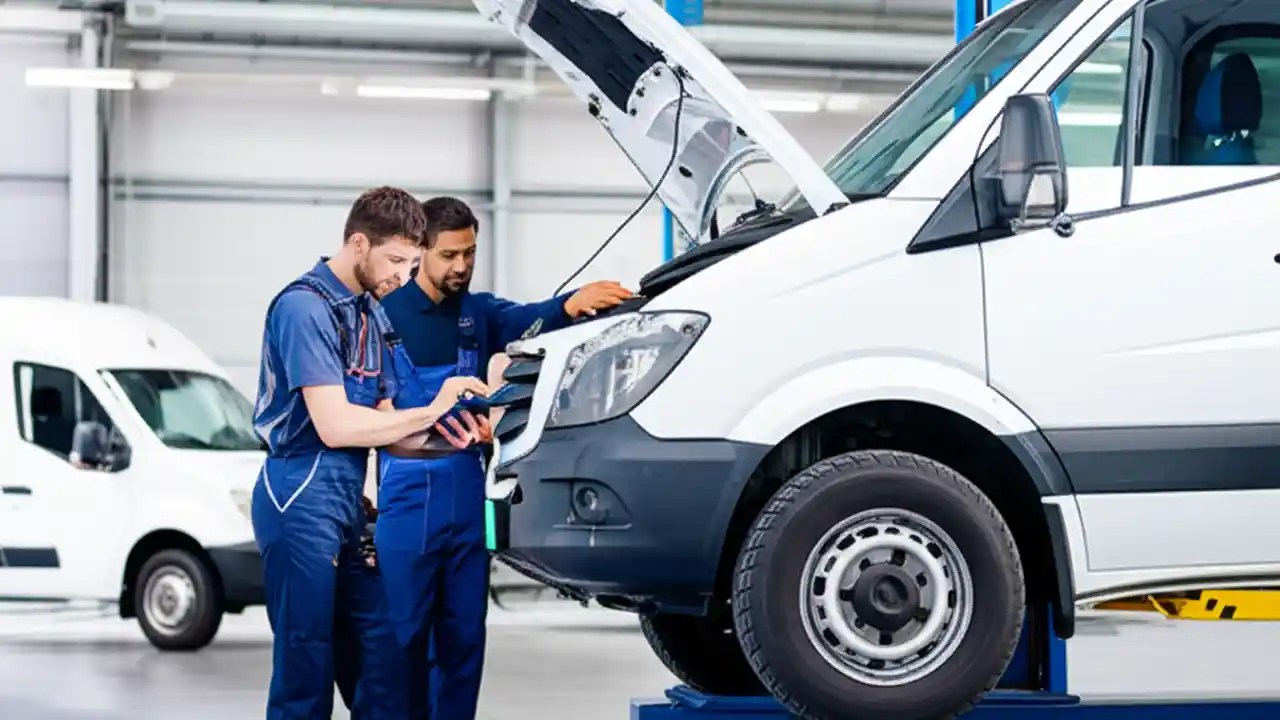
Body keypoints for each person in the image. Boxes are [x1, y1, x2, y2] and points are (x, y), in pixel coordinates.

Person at [375, 196, 634, 720]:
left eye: (470, 253)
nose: (461, 266)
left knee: (464, 639)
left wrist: (572, 303)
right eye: (449, 255)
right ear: (420, 250)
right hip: (406, 495)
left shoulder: (477, 313)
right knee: (400, 642)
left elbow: (529, 318)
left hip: (469, 495)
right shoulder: (382, 317)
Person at [249, 187, 490, 720]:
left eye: (411, 262)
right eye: (396, 261)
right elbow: (335, 427)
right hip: (299, 494)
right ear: (359, 243)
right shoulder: (303, 308)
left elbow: (384, 426)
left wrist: (454, 435)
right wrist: (433, 407)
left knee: (384, 660)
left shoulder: (370, 314)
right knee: (305, 666)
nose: (403, 276)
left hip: (349, 505)